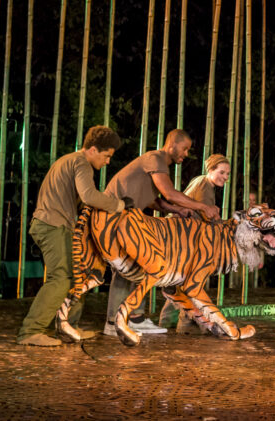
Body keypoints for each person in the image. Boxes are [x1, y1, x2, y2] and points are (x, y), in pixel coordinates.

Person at [103, 129, 220, 336]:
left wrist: (178, 210)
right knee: (125, 268)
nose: (185, 154)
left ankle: (136, 317)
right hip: (112, 217)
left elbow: (153, 200)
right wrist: (202, 207)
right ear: (172, 144)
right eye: (184, 149)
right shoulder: (155, 158)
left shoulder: (158, 166)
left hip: (127, 220)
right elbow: (169, 193)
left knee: (139, 264)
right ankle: (113, 323)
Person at [17, 126, 126, 346]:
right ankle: (31, 331)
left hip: (53, 225)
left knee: (78, 276)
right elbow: (89, 195)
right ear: (93, 150)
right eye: (106, 156)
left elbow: (80, 200)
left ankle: (67, 327)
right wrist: (118, 205)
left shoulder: (68, 161)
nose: (107, 162)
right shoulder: (81, 162)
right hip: (52, 226)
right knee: (61, 277)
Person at [158, 154, 231, 332]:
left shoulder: (202, 182)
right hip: (179, 241)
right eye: (222, 172)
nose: (225, 177)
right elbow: (209, 219)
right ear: (211, 170)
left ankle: (169, 324)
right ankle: (184, 327)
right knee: (187, 285)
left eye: (228, 174)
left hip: (179, 239)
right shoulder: (205, 185)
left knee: (177, 285)